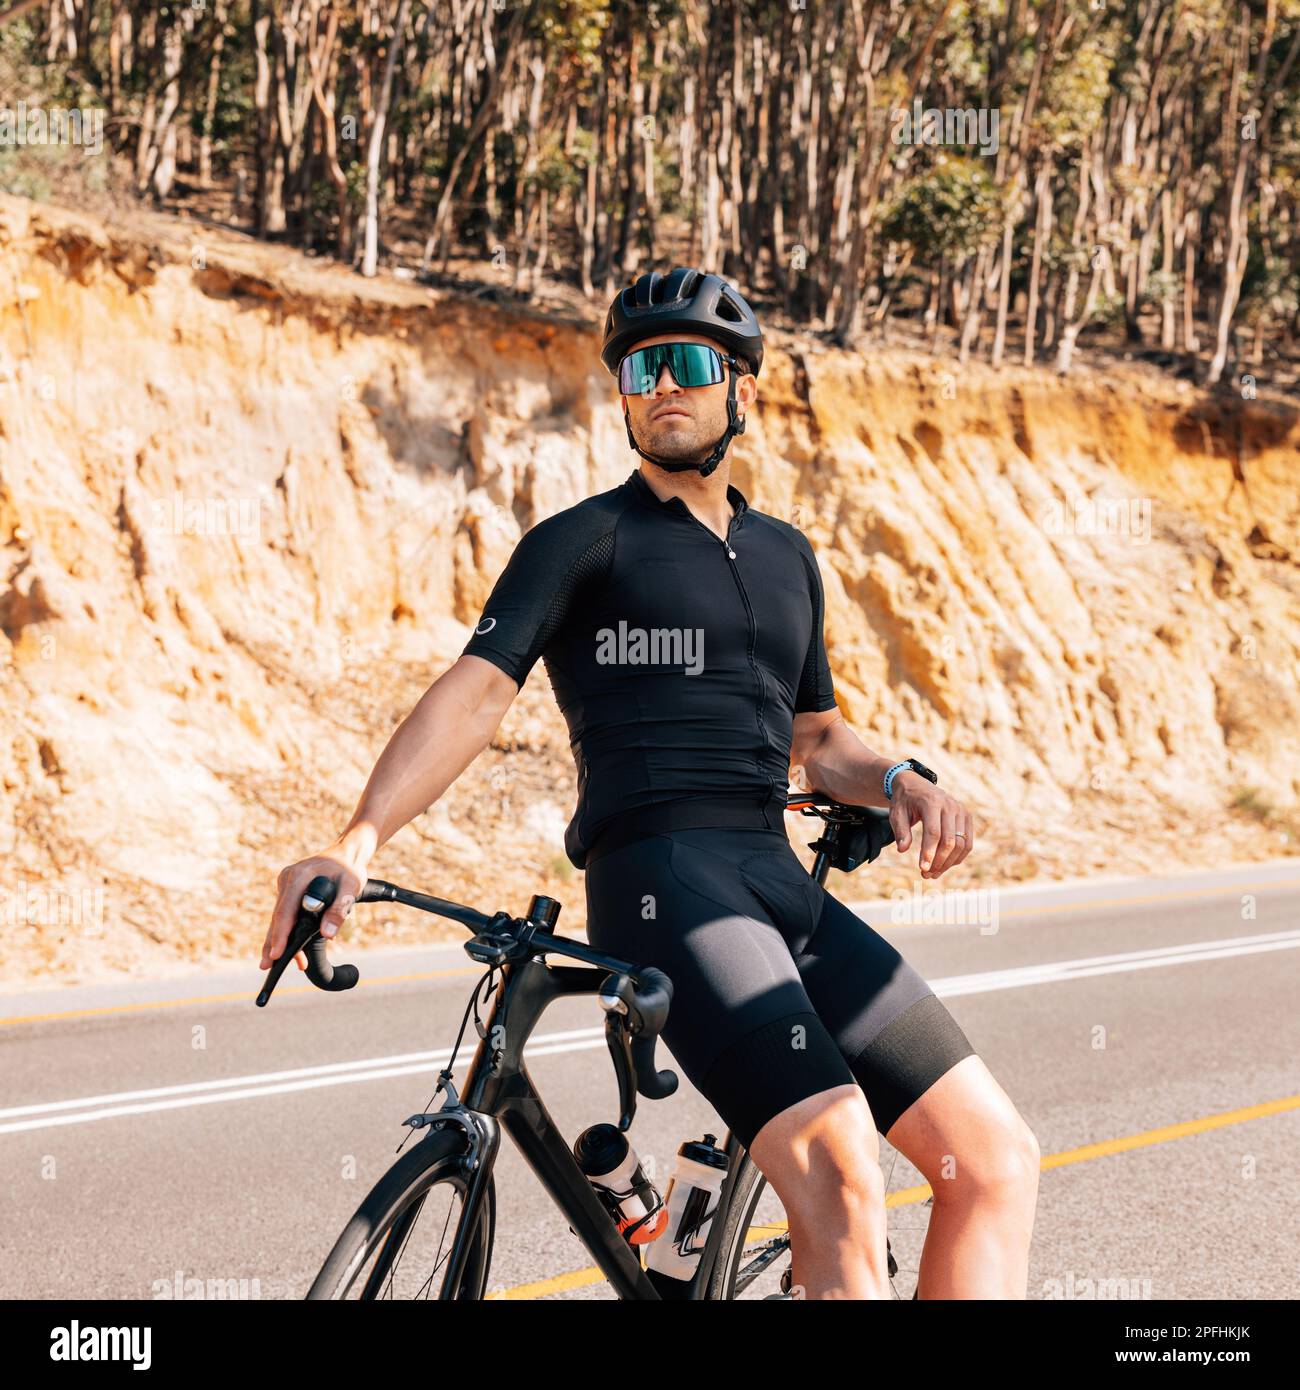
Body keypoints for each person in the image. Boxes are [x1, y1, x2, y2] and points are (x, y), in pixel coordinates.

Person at [262, 266, 1039, 1299]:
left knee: (992, 1162)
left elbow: (816, 735)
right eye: (637, 368)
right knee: (839, 1166)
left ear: (744, 390)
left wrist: (895, 775)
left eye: (685, 362)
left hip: (778, 884)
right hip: (662, 882)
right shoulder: (584, 539)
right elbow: (474, 695)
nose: (659, 384)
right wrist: (355, 842)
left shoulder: (787, 557)